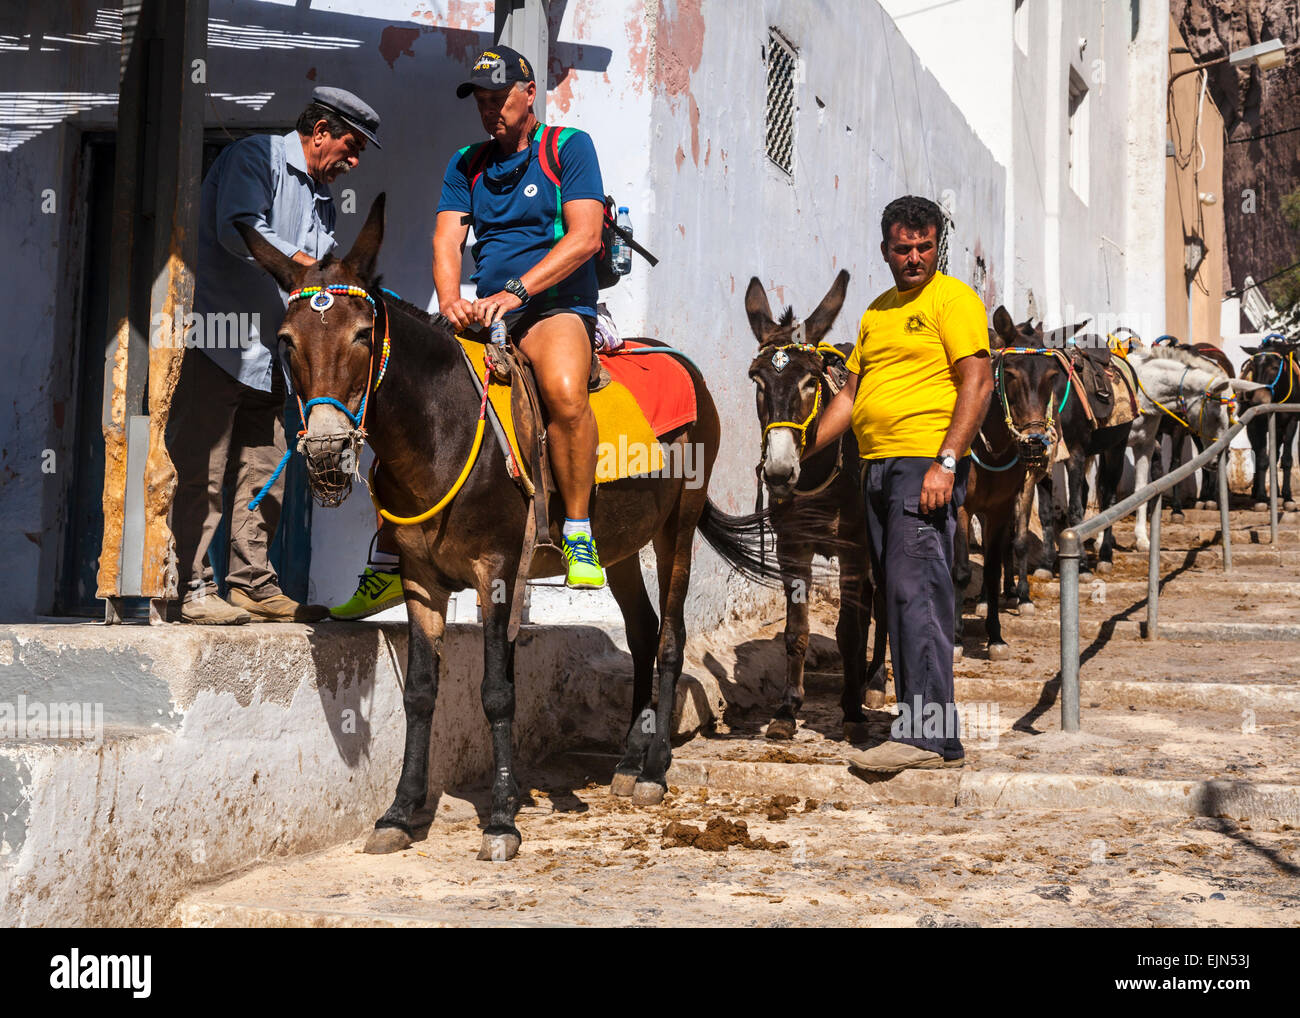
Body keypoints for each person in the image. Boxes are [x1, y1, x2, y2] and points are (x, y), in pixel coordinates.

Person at [332, 45, 606, 619]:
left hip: (553, 306)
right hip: (486, 314)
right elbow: (446, 239)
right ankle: (389, 559)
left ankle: (577, 529)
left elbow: (585, 237)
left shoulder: (569, 148)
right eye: (481, 100)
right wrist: (452, 299)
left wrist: (518, 293)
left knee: (562, 391)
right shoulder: (467, 163)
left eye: (499, 98)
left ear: (530, 94)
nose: (490, 110)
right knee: (405, 403)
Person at [169, 87, 380, 624]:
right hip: (218, 340)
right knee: (203, 470)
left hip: (274, 355)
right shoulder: (256, 157)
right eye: (351, 147)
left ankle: (253, 585)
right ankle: (189, 587)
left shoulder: (322, 196)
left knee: (263, 474)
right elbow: (236, 228)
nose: (352, 163)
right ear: (321, 131)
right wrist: (313, 266)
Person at [804, 195, 993, 772]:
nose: (913, 257)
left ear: (938, 246)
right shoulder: (876, 312)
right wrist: (800, 452)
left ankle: (931, 736)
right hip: (877, 469)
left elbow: (978, 383)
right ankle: (922, 727)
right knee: (898, 594)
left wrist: (948, 461)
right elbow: (852, 395)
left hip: (923, 468)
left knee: (919, 594)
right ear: (884, 249)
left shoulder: (953, 300)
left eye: (924, 246)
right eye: (902, 248)